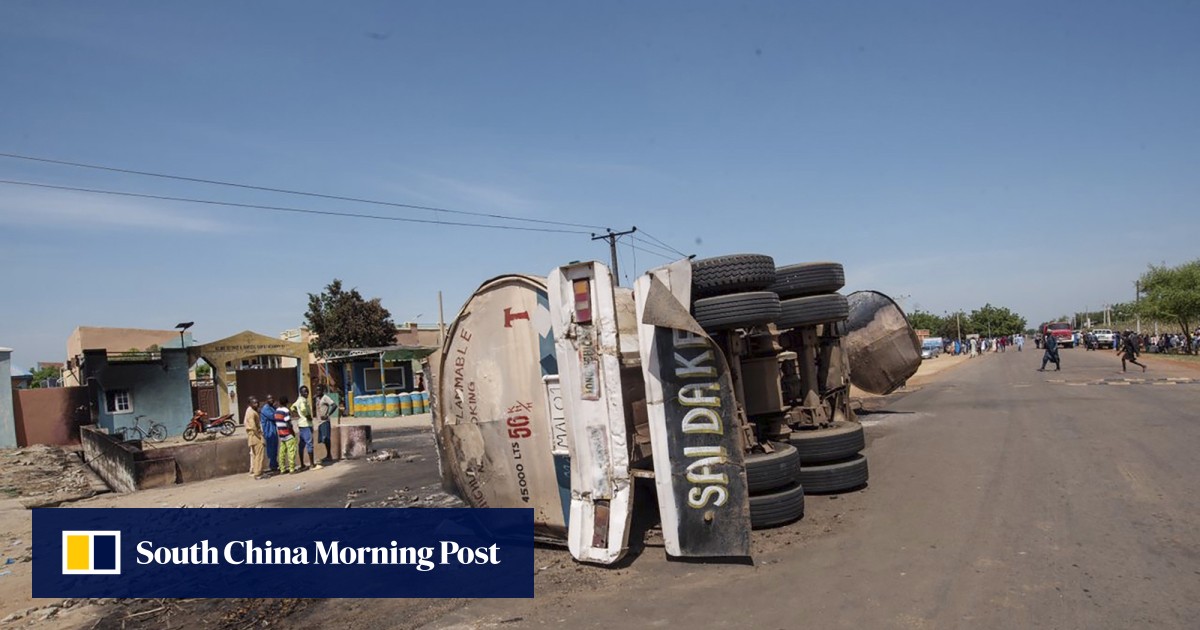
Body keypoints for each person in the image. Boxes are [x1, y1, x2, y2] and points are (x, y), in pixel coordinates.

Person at [244, 396, 268, 480]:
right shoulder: (251, 413)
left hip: (252, 435)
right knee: (259, 455)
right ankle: (258, 473)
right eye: (254, 403)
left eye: (257, 403)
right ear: (250, 404)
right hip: (255, 435)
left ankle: (256, 471)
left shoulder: (252, 411)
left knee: (255, 455)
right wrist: (260, 436)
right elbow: (253, 427)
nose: (256, 404)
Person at [292, 386, 314, 470]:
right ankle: (312, 464)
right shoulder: (303, 401)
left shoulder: (298, 400)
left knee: (302, 444)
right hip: (306, 424)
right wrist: (307, 416)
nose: (306, 393)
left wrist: (298, 414)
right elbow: (304, 409)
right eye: (304, 392)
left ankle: (302, 464)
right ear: (301, 393)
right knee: (309, 443)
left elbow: (292, 407)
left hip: (301, 424)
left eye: (307, 391)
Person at [275, 396, 298, 474]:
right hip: (288, 433)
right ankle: (292, 469)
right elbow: (288, 423)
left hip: (281, 434)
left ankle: (282, 469)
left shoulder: (277, 411)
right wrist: (292, 432)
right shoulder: (286, 411)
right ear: (286, 403)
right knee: (291, 451)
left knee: (282, 452)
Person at [315, 385, 335, 467]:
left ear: (323, 390)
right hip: (320, 422)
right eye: (317, 390)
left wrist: (328, 415)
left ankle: (329, 455)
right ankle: (328, 455)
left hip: (325, 421)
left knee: (326, 438)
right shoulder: (317, 399)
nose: (318, 391)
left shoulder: (325, 398)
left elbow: (334, 405)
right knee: (323, 439)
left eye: (319, 390)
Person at [259, 394, 278, 472]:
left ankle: (275, 464)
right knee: (271, 449)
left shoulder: (272, 407)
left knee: (275, 448)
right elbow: (274, 416)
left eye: (272, 398)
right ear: (266, 400)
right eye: (269, 398)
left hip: (273, 430)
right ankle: (272, 466)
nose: (271, 400)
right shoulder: (265, 409)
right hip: (269, 431)